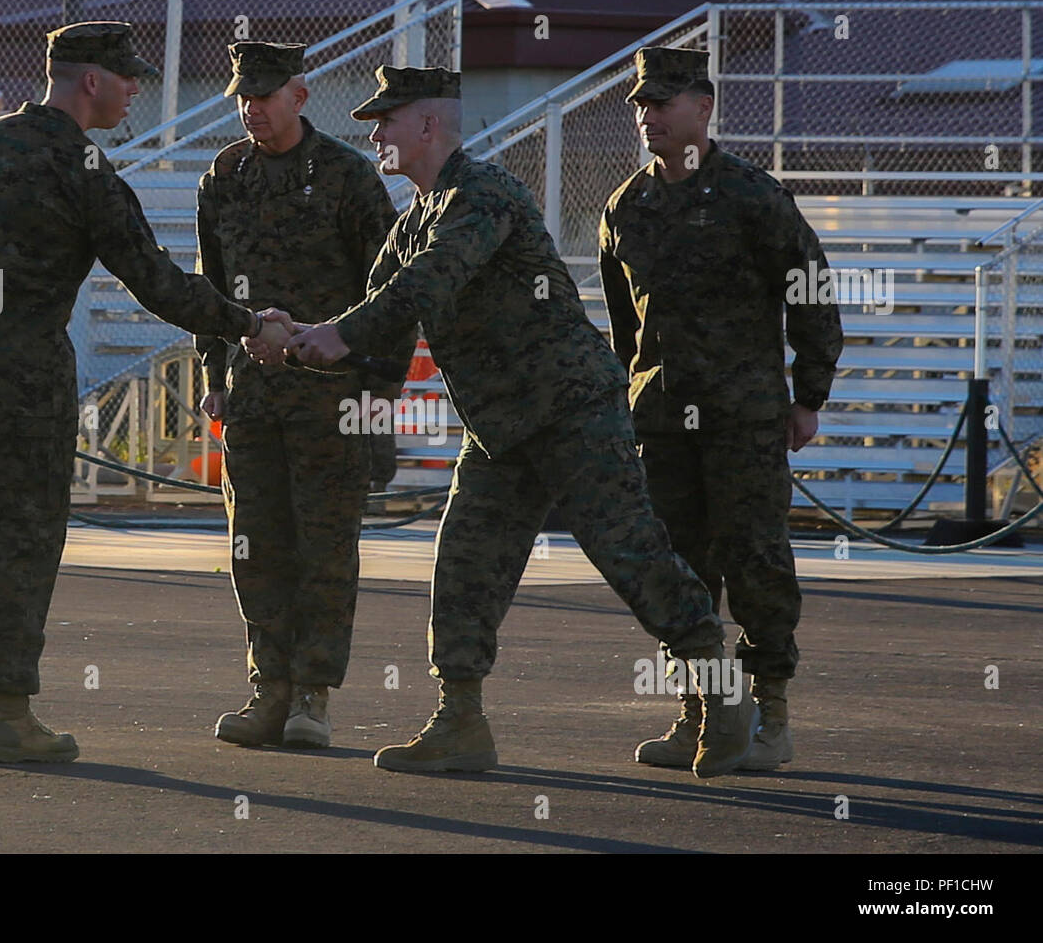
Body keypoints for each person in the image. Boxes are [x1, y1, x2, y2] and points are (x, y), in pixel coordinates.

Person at [280, 65, 755, 778]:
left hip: (571, 411)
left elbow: (429, 282)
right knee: (464, 568)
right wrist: (289, 339)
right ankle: (459, 720)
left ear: (429, 125)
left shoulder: (483, 194)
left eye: (388, 119)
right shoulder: (413, 224)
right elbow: (376, 312)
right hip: (500, 428)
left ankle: (718, 697)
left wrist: (337, 335)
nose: (375, 132)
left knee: (632, 557)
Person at [0, 21, 290, 764]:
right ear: (90, 82)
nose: (137, 87)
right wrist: (246, 323)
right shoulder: (84, 167)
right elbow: (156, 282)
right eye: (127, 75)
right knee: (22, 541)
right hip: (24, 386)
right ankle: (8, 713)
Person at [598, 46, 843, 771]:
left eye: (662, 104)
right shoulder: (626, 206)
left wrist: (809, 396)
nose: (648, 117)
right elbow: (625, 327)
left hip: (745, 417)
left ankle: (770, 714)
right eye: (641, 105)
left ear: (702, 109)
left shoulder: (752, 196)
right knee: (678, 570)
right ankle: (700, 712)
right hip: (662, 421)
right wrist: (626, 400)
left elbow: (810, 295)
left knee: (756, 559)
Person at [194, 42, 412, 749]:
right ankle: (270, 689)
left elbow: (392, 297)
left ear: (300, 94)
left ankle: (312, 696)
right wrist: (213, 376)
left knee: (325, 547)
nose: (252, 108)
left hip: (332, 400)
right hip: (254, 395)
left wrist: (378, 397)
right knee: (255, 547)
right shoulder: (225, 176)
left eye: (266, 94)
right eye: (243, 97)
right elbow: (210, 287)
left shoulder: (349, 179)